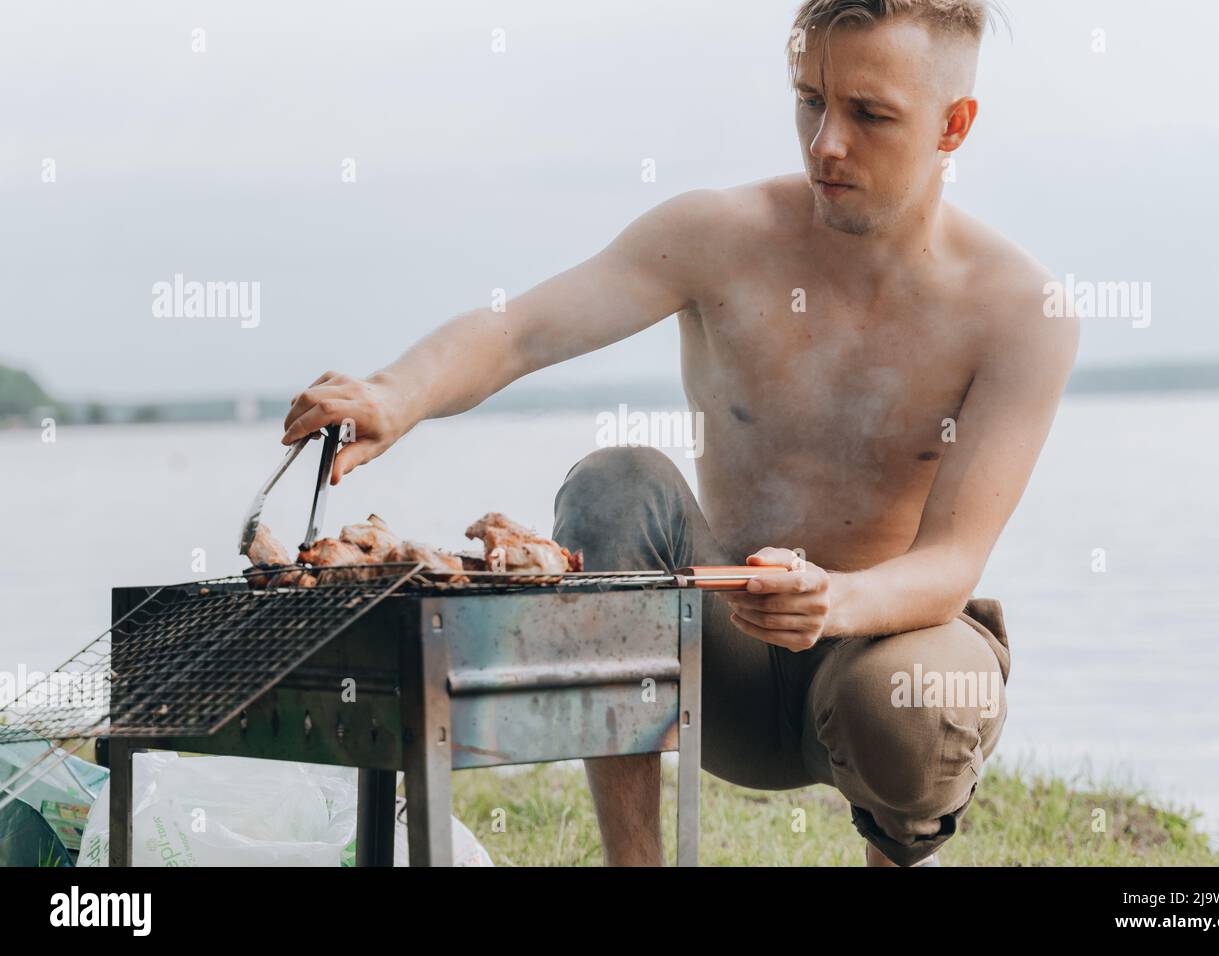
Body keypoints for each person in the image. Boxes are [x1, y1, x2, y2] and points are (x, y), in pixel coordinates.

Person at [282, 0, 1078, 866]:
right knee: (616, 481)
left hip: (878, 653)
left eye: (870, 114)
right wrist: (397, 393)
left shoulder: (1019, 310)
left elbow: (952, 564)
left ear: (952, 125)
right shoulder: (718, 236)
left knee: (917, 697)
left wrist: (832, 601)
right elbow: (523, 330)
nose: (826, 145)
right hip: (719, 662)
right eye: (810, 100)